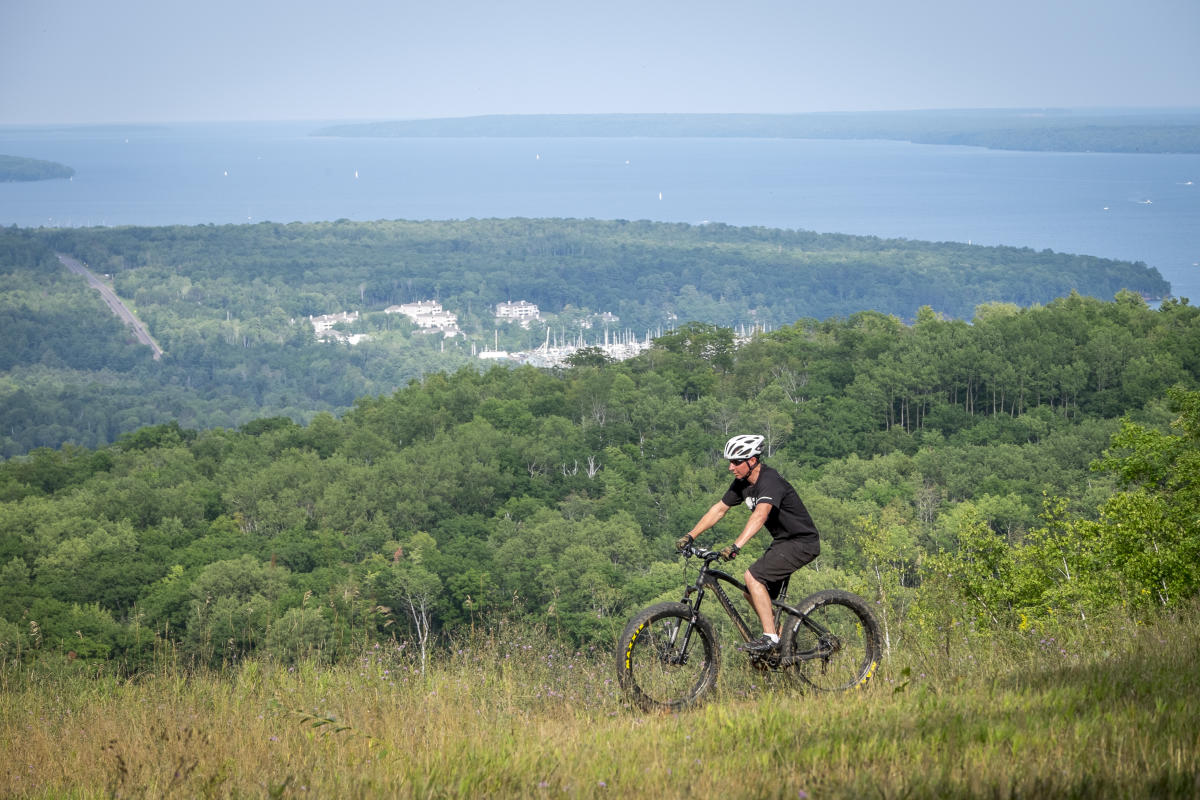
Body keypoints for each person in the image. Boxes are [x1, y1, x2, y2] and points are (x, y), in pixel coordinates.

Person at [676, 434, 820, 653]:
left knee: (753, 577)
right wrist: (690, 536)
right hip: (783, 542)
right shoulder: (742, 483)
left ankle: (770, 638)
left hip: (801, 542)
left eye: (735, 462)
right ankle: (780, 637)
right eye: (730, 462)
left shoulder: (769, 481)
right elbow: (719, 509)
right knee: (750, 591)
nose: (730, 467)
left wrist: (736, 546)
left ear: (752, 460)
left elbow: (760, 515)